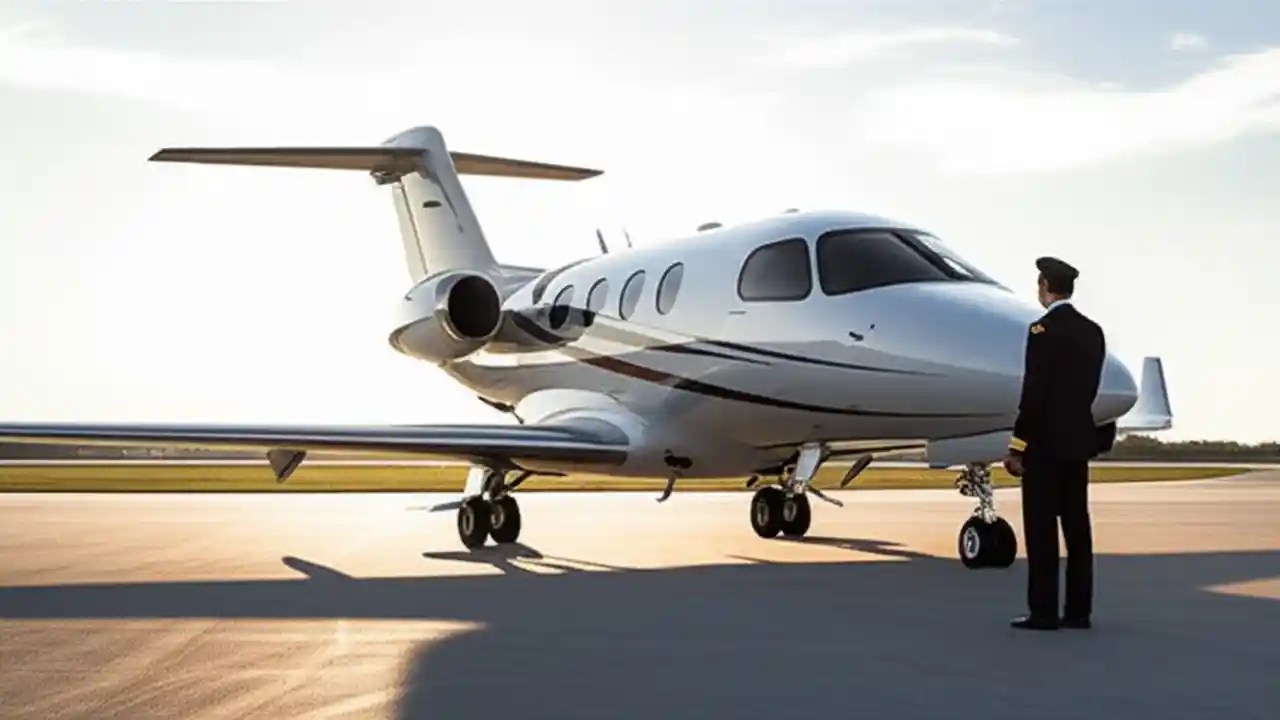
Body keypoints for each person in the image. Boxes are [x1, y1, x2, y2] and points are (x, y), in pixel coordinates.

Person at [1003, 256, 1113, 631]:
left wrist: (1018, 445)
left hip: (1045, 447)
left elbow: (1033, 393)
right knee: (1078, 529)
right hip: (1077, 443)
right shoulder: (1093, 332)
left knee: (1042, 529)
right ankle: (1079, 612)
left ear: (1045, 286)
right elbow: (1091, 389)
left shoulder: (1041, 331)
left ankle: (1044, 612)